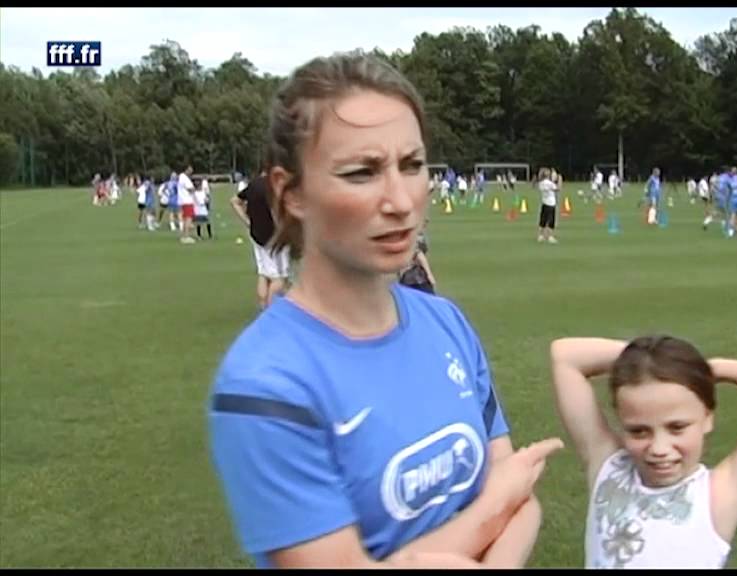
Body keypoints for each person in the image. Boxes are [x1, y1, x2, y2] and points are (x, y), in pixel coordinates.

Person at [208, 51, 562, 569]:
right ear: (291, 192)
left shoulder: (446, 323)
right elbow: (504, 495)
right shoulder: (265, 386)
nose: (400, 200)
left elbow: (522, 501)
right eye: (362, 172)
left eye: (412, 165)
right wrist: (491, 506)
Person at [549, 335, 737, 568]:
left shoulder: (719, 495)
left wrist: (706, 367)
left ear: (707, 416)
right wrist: (648, 360)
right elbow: (565, 355)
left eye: (677, 428)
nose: (659, 449)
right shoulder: (608, 468)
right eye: (639, 431)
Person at [230, 166, 290, 310]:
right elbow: (277, 212)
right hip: (274, 236)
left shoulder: (253, 185)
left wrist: (247, 221)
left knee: (263, 273)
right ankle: (270, 312)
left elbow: (235, 201)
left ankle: (264, 307)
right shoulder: (274, 187)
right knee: (279, 278)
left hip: (256, 234)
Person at [398, 219, 438, 294]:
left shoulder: (405, 236)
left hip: (406, 277)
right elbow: (419, 255)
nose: (426, 224)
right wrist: (429, 275)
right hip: (417, 278)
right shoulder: (417, 238)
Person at [536, 167, 559, 243]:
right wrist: (559, 179)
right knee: (551, 221)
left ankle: (540, 235)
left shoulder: (541, 183)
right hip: (551, 203)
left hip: (544, 202)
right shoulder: (549, 183)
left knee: (543, 220)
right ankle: (550, 236)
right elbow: (557, 188)